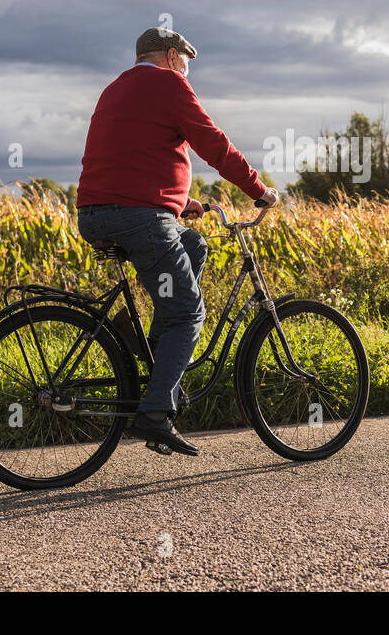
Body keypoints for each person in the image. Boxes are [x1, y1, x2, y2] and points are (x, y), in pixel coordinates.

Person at [76, 28, 279, 456]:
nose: (187, 76)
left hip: (98, 213)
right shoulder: (167, 82)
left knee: (195, 247)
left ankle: (157, 355)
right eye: (185, 65)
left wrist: (180, 202)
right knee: (189, 312)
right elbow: (213, 143)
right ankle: (154, 412)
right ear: (171, 56)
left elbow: (130, 157)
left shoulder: (115, 89)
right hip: (139, 218)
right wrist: (258, 189)